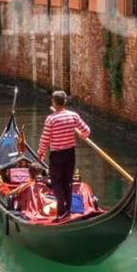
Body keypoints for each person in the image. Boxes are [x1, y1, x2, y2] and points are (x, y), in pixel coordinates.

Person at [37, 91, 91, 221]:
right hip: (70, 154)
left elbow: (45, 139)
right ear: (64, 102)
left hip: (57, 155)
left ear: (54, 102)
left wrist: (40, 153)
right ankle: (68, 212)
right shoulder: (73, 116)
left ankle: (61, 212)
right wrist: (82, 135)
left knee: (56, 182)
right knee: (67, 182)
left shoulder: (51, 119)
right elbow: (87, 130)